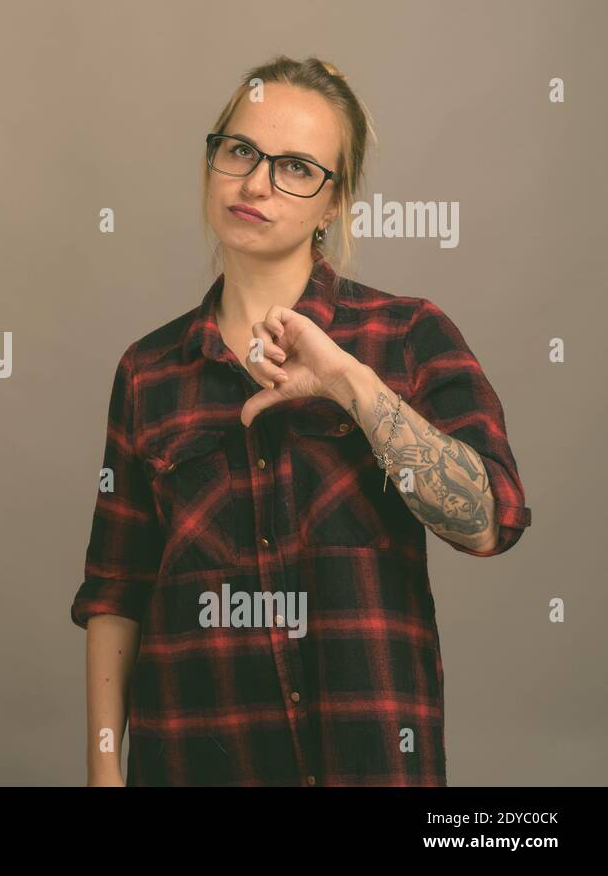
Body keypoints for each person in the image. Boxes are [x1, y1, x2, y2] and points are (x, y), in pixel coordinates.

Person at [70, 56, 532, 786]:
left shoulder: (407, 335)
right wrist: (103, 772)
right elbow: (116, 592)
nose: (256, 183)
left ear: (334, 203)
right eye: (241, 151)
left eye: (296, 168)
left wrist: (350, 383)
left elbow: (488, 521)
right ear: (213, 159)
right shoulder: (149, 372)